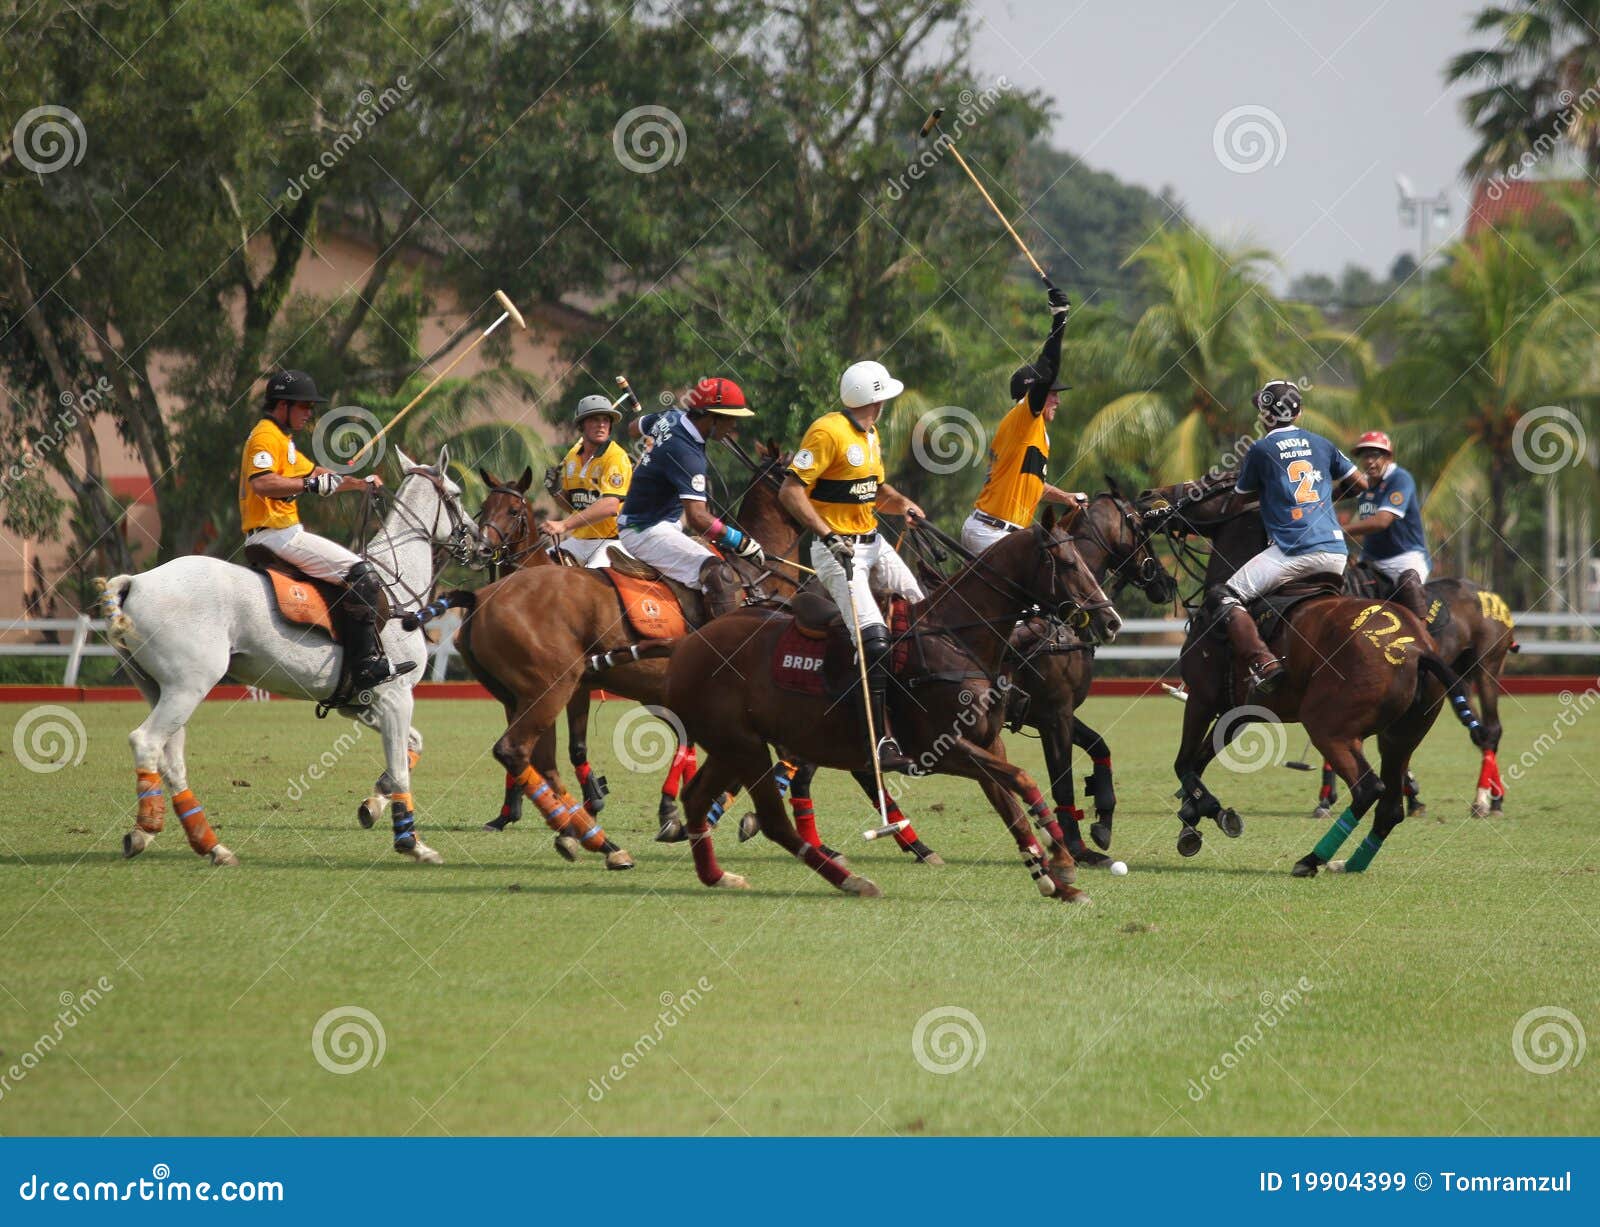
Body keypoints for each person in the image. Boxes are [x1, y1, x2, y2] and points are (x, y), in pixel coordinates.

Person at [779, 360, 928, 773]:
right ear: (875, 399)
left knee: (921, 612)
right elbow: (791, 491)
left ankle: (915, 712)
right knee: (874, 639)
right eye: (885, 397)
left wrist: (903, 507)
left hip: (872, 543)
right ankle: (877, 740)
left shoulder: (871, 433)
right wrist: (826, 534)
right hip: (835, 552)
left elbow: (874, 491)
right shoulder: (827, 432)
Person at [238, 370, 414, 693]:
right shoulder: (265, 437)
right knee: (362, 573)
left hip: (280, 533)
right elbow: (261, 482)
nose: (309, 414)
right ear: (283, 405)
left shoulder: (284, 442)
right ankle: (365, 664)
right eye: (304, 406)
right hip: (277, 535)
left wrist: (359, 483)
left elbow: (319, 474)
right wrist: (309, 485)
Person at [1208, 380, 1364, 696]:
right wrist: (1328, 497)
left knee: (1225, 595)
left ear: (1265, 416)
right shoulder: (1322, 443)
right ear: (1299, 412)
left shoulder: (1261, 449)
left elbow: (1238, 502)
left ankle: (1263, 663)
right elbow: (1359, 484)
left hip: (1295, 552)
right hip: (1336, 554)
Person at [615, 376, 764, 617]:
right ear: (712, 418)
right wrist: (741, 542)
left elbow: (634, 427)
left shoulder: (670, 417)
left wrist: (654, 451)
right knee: (719, 576)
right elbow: (697, 518)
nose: (733, 427)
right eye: (731, 420)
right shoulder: (688, 455)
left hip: (655, 522)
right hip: (646, 530)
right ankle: (716, 651)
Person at [961, 283, 1087, 553]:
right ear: (1033, 393)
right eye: (1052, 394)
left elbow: (1033, 487)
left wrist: (1066, 497)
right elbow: (1048, 368)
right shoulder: (1024, 417)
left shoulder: (1036, 432)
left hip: (997, 530)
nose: (1057, 400)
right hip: (992, 533)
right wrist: (1059, 319)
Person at [1341, 430, 1431, 621]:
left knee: (1409, 585)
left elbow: (1382, 521)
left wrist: (1340, 531)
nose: (1370, 461)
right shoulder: (1364, 485)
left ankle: (1426, 641)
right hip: (1372, 560)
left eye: (1376, 455)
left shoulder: (1400, 479)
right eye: (1365, 456)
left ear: (1389, 457)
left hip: (1405, 558)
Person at [540, 393, 632, 567]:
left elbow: (610, 506)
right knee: (538, 567)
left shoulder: (616, 457)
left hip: (613, 541)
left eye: (606, 420)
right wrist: (555, 491)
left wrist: (564, 525)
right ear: (581, 425)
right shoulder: (572, 458)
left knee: (593, 579)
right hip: (580, 540)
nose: (601, 425)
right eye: (594, 420)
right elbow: (574, 507)